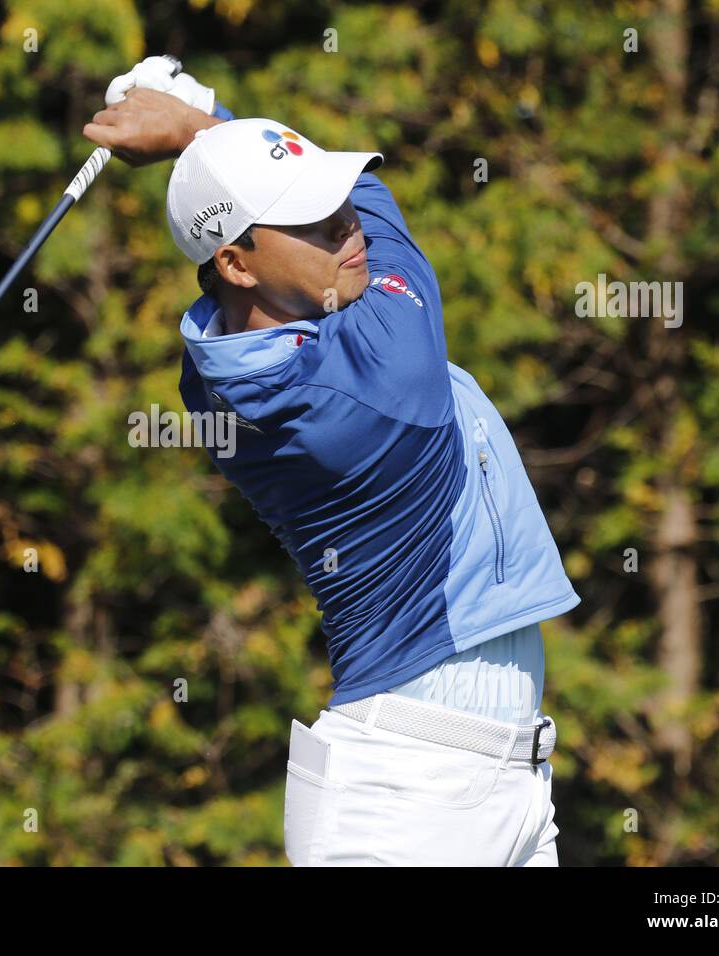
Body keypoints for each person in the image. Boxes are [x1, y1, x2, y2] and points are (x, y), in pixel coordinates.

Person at [84, 59, 581, 866]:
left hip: (492, 782)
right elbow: (387, 221)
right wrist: (197, 126)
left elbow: (328, 215)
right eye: (319, 226)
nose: (350, 233)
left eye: (341, 207)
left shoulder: (233, 344)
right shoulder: (367, 385)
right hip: (408, 799)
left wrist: (208, 133)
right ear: (237, 263)